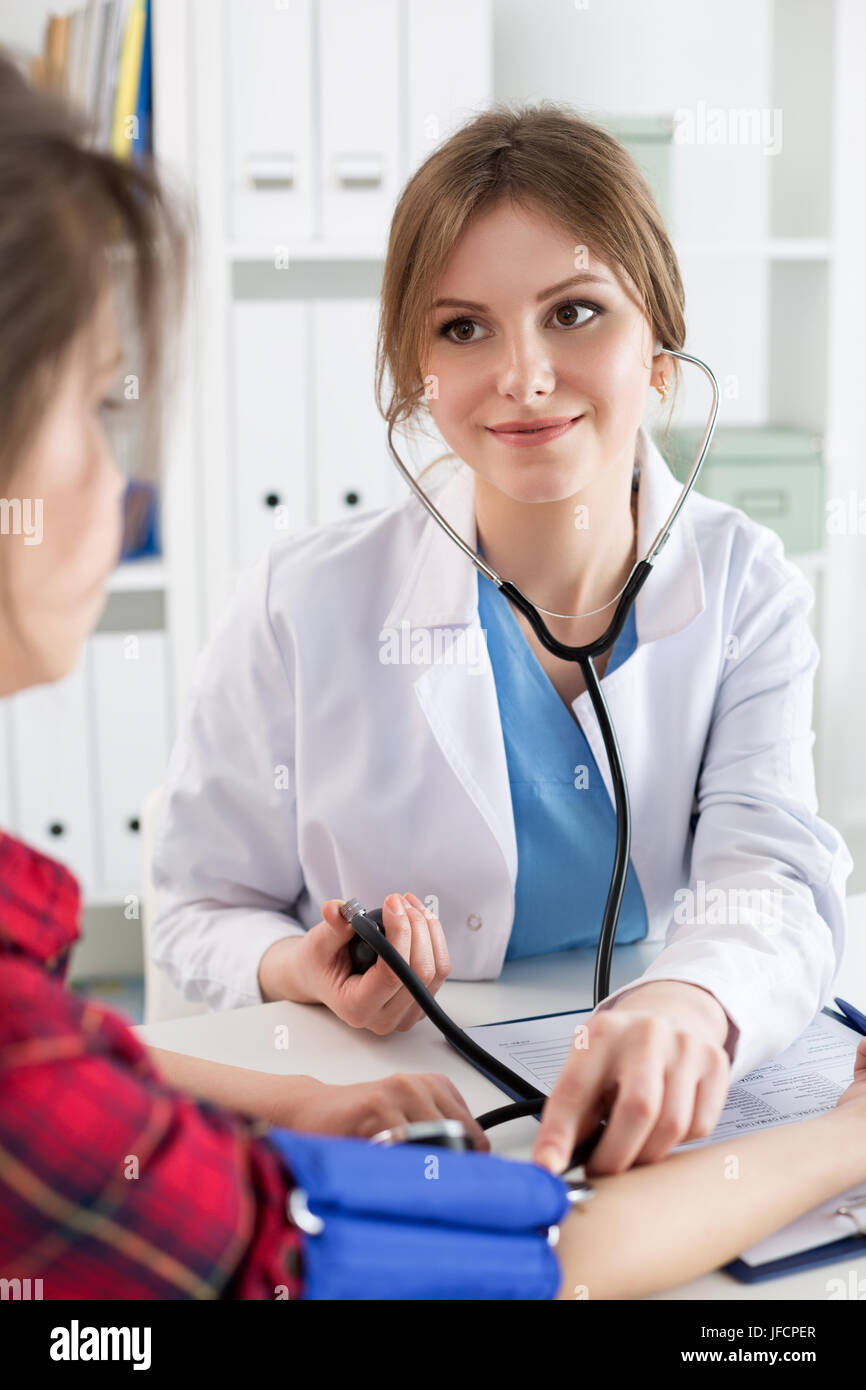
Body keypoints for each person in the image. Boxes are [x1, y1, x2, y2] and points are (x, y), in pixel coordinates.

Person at [6, 56, 866, 1304]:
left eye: (575, 313)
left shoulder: (743, 585)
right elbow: (192, 916)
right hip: (417, 1112)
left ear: (660, 353)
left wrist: (688, 1001)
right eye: (462, 328)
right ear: (418, 371)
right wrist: (294, 968)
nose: (520, 374)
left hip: (645, 1115)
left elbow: (771, 875)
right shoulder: (307, 600)